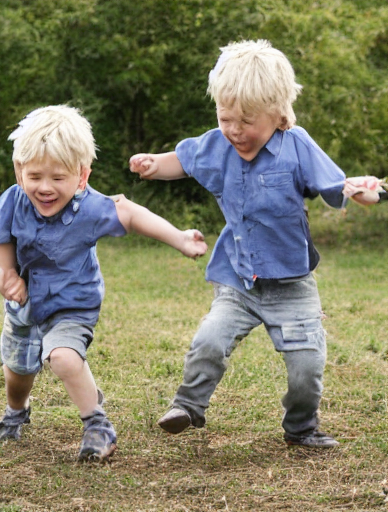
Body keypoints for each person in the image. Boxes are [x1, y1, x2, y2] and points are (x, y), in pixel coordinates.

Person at [129, 40, 350, 448]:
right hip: (237, 278)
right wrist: (153, 164)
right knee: (210, 340)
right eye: (226, 117)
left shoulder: (296, 143)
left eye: (246, 121)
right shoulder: (218, 145)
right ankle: (188, 405)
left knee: (307, 366)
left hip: (292, 284)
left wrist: (361, 190)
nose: (234, 129)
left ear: (279, 114)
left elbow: (335, 185)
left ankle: (301, 427)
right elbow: (184, 159)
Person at [0, 105, 208, 462]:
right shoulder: (14, 200)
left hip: (72, 303)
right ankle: (17, 410)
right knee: (17, 372)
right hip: (25, 304)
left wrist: (179, 238)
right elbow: (1, 238)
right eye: (35, 176)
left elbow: (130, 213)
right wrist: (7, 272)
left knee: (63, 358)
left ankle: (97, 424)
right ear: (19, 170)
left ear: (82, 176)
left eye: (58, 178)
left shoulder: (89, 208)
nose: (44, 187)